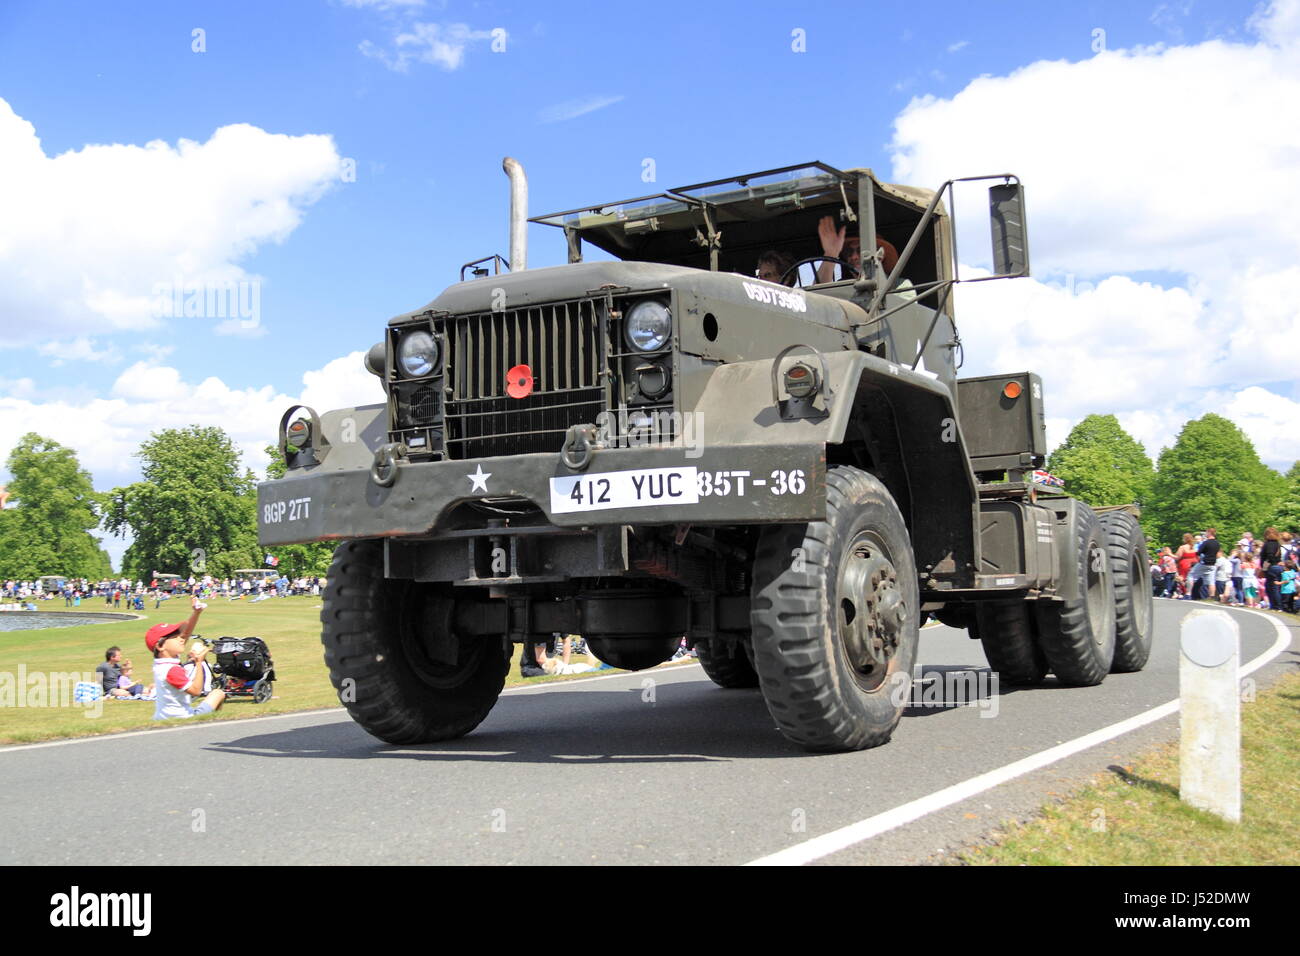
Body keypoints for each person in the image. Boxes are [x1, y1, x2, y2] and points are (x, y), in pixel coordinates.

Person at [146, 598, 225, 720]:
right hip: (185, 718)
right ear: (160, 646)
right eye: (176, 637)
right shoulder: (172, 670)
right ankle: (210, 725)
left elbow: (186, 634)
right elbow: (196, 691)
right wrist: (199, 662)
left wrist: (196, 613)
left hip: (161, 717)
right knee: (218, 693)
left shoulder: (161, 662)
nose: (181, 639)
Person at [814, 216, 902, 285]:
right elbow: (816, 298)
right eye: (849, 251)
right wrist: (831, 253)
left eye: (861, 250)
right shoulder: (840, 286)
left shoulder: (899, 286)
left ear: (880, 255)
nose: (854, 256)